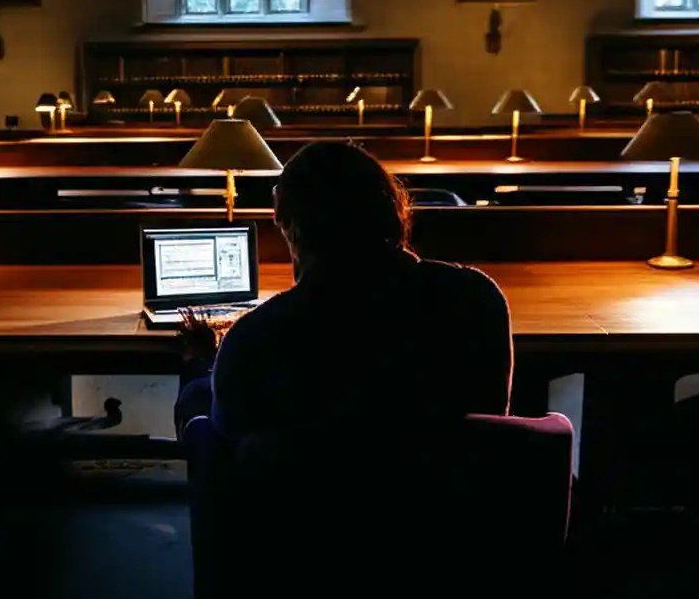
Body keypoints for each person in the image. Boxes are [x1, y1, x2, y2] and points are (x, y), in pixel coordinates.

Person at [175, 140, 512, 442]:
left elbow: (223, 442)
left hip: (303, 510)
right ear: (392, 209)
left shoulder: (257, 337)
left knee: (201, 397)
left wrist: (200, 365)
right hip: (448, 503)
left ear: (288, 223)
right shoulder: (475, 300)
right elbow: (491, 424)